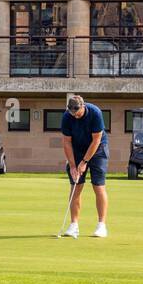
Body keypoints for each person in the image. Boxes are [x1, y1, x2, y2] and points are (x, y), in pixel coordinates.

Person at [60, 94, 109, 238]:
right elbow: (67, 142)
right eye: (72, 113)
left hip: (98, 149)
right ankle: (73, 225)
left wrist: (84, 162)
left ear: (82, 106)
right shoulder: (67, 117)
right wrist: (74, 165)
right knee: (76, 184)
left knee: (98, 185)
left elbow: (96, 140)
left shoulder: (95, 113)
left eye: (77, 112)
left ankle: (101, 226)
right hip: (77, 148)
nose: (75, 116)